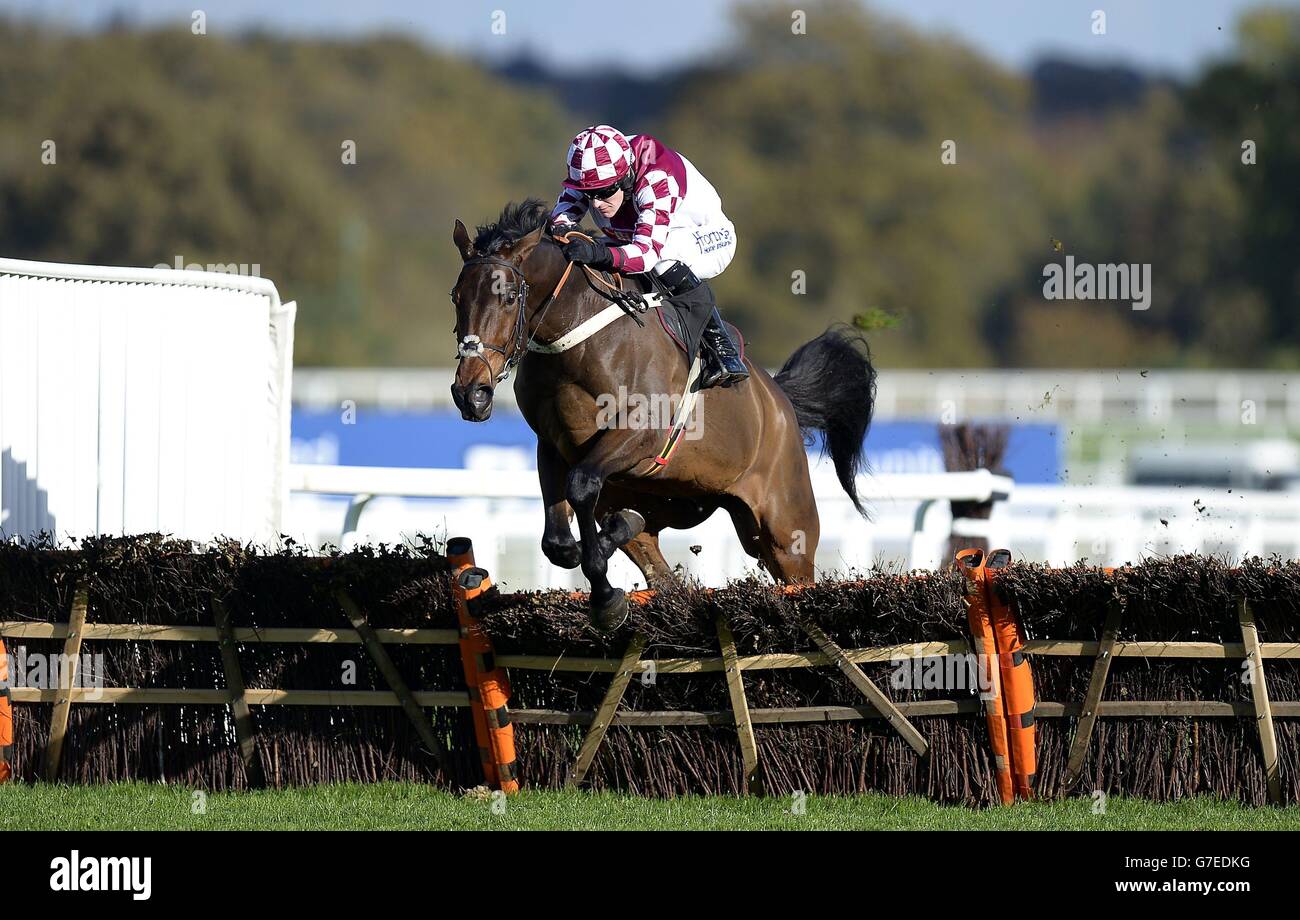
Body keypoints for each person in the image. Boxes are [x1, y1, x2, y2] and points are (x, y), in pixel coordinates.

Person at [548, 124, 749, 389]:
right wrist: (565, 233)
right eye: (589, 194)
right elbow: (560, 218)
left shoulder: (655, 178)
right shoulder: (595, 169)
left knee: (662, 260)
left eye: (604, 192)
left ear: (625, 177)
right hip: (640, 237)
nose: (595, 203)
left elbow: (645, 255)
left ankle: (723, 350)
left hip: (708, 237)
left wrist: (597, 253)